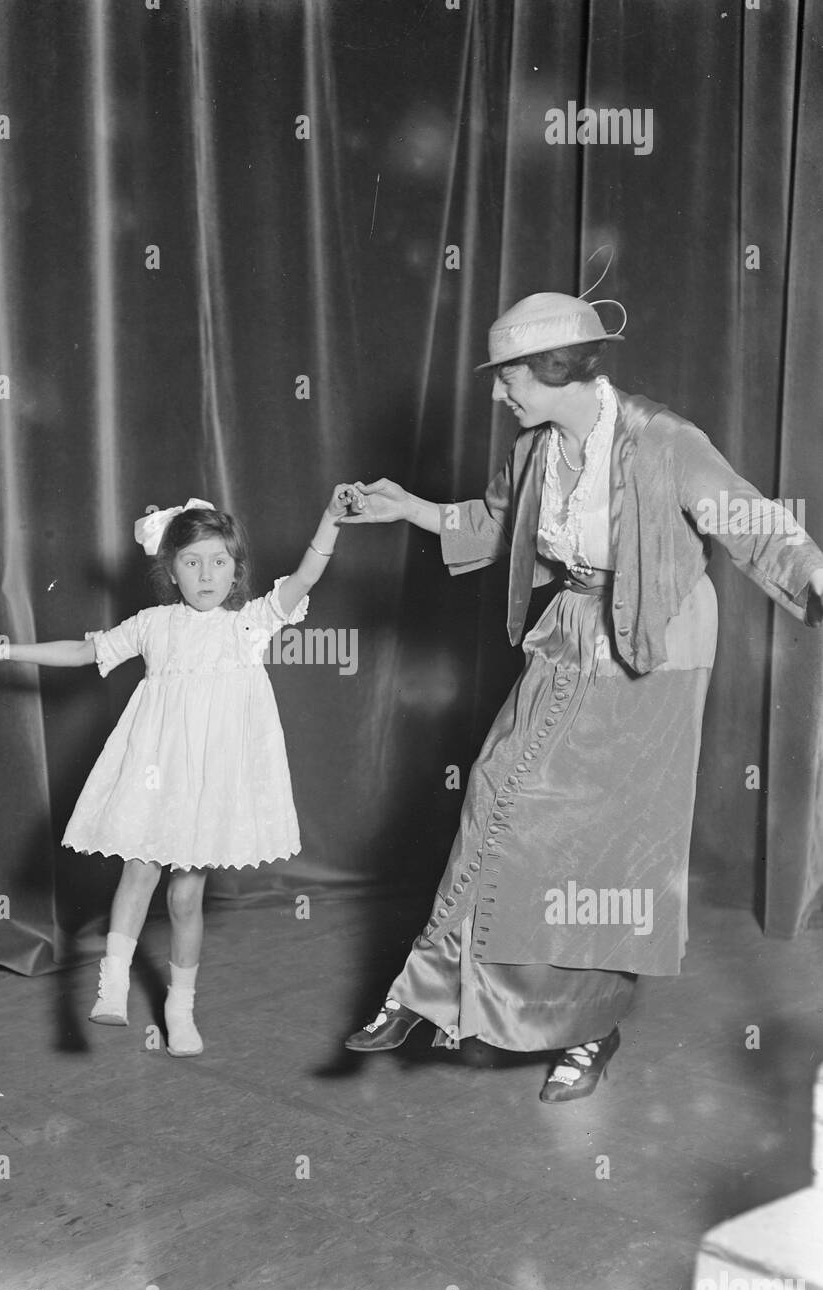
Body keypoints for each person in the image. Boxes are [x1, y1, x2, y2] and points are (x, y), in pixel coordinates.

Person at [342, 291, 823, 1101]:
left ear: (553, 369)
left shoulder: (662, 439)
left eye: (508, 377)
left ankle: (589, 1030)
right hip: (570, 631)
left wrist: (814, 574)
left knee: (607, 852)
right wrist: (409, 509)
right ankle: (425, 991)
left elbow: (751, 520)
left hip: (655, 651)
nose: (499, 392)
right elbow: (498, 524)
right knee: (496, 794)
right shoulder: (534, 449)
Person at [0, 487, 361, 1056]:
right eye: (191, 563)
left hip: (209, 784)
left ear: (236, 569)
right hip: (155, 774)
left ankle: (180, 1008)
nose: (206, 574)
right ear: (171, 570)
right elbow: (82, 652)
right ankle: (113, 983)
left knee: (186, 898)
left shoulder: (250, 624)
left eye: (218, 561)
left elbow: (307, 575)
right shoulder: (153, 624)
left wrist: (330, 519)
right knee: (139, 872)